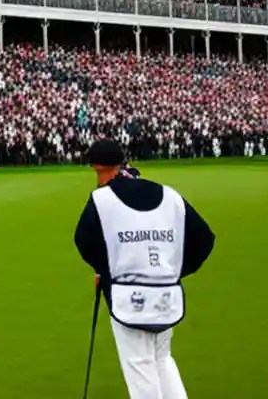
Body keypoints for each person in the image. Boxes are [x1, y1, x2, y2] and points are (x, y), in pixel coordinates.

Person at [74, 139, 215, 399]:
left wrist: (107, 271)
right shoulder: (169, 194)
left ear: (96, 167)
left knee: (140, 367)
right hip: (166, 295)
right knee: (162, 359)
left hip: (129, 298)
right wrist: (171, 272)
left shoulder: (101, 199)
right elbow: (205, 239)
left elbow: (84, 241)